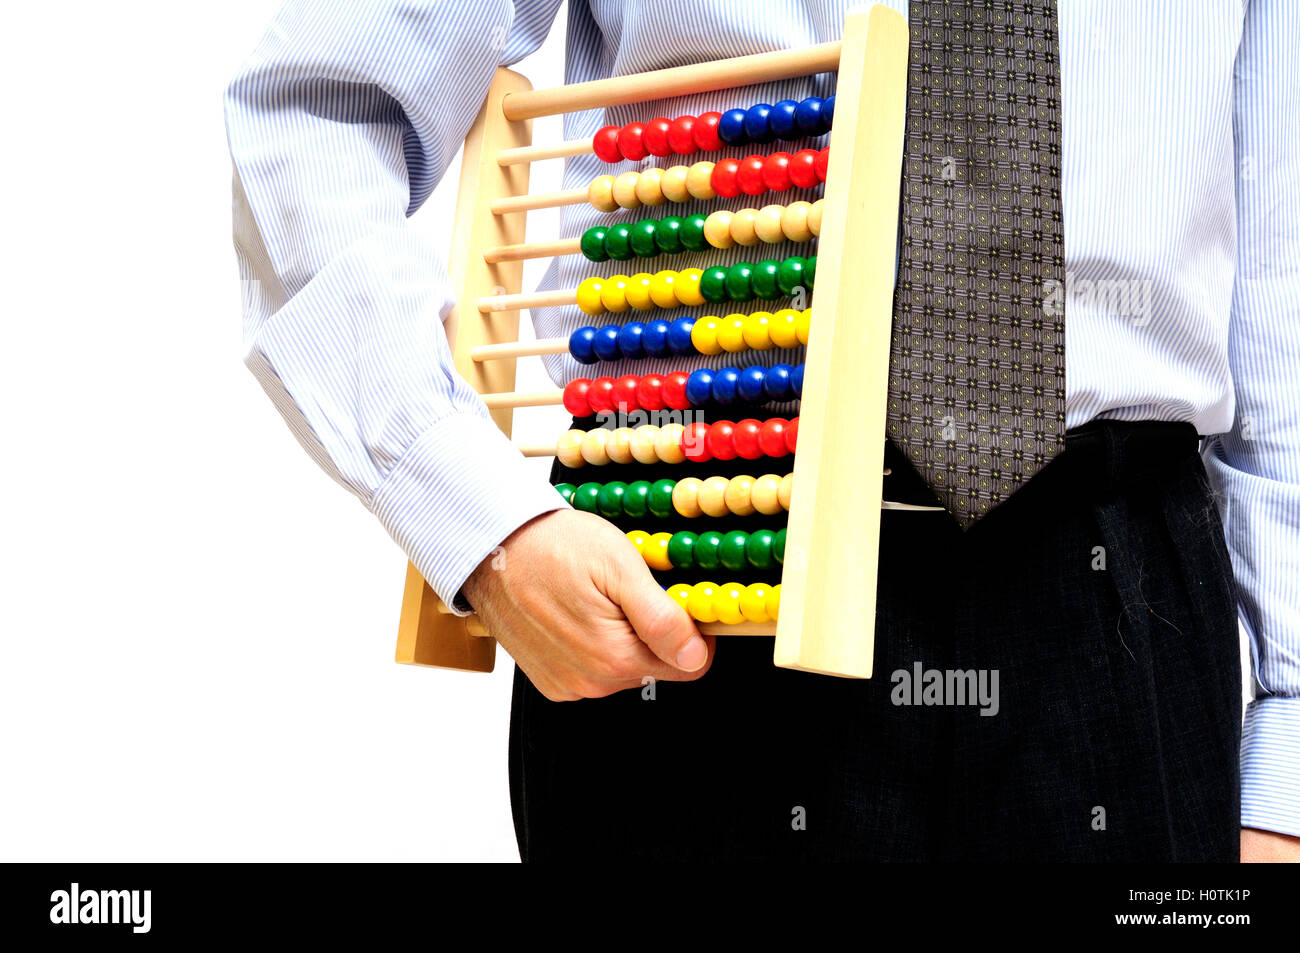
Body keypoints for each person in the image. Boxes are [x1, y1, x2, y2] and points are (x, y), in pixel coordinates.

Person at [225, 0, 1300, 861]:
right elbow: (317, 109)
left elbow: (1279, 252)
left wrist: (1287, 761)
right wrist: (484, 524)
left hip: (1120, 605)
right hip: (703, 570)